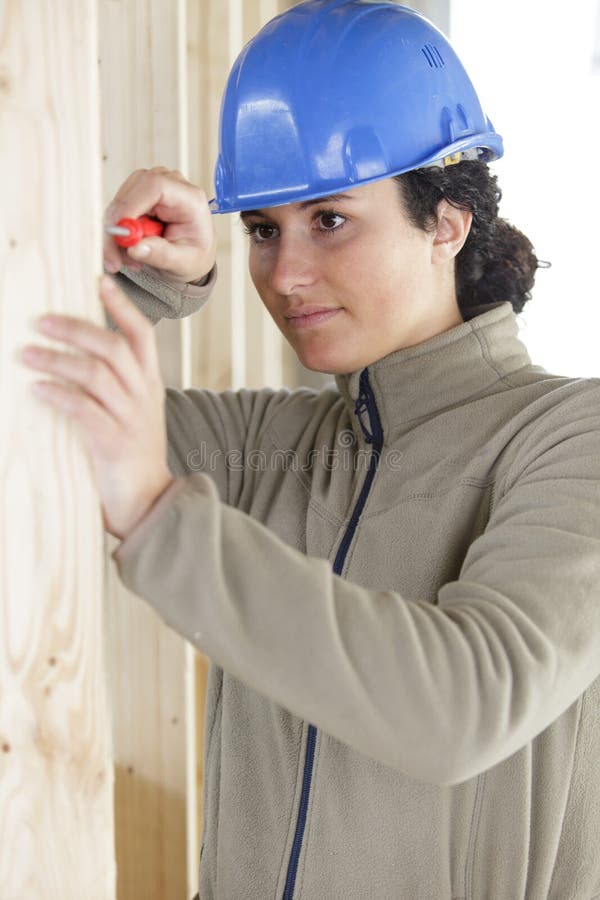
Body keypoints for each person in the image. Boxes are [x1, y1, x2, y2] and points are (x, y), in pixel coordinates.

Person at [22, 1, 600, 897]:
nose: (285, 276)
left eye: (329, 220)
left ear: (447, 220)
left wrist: (154, 515)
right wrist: (131, 286)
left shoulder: (569, 437)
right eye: (263, 231)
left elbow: (462, 708)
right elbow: (31, 423)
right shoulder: (270, 448)